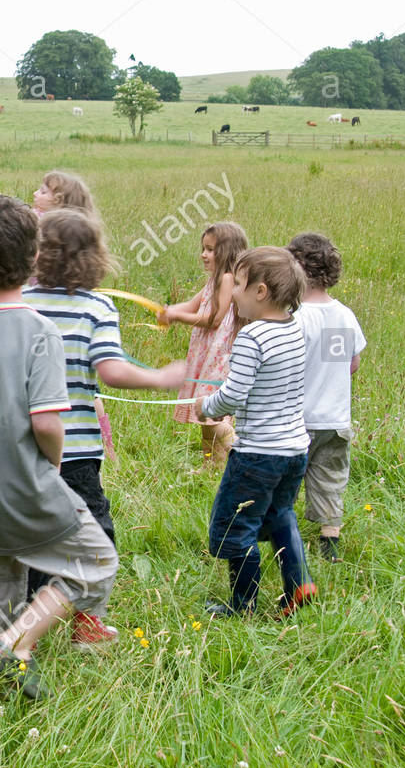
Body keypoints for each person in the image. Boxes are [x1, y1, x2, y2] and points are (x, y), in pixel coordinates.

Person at [0, 195, 120, 718]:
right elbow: (46, 421)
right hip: (26, 484)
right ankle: (16, 642)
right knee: (95, 561)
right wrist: (53, 464)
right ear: (33, 257)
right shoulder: (38, 330)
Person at [22, 207, 185, 642]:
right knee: (95, 536)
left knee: (34, 530)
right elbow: (111, 370)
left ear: (38, 254)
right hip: (74, 451)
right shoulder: (96, 307)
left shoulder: (20, 300)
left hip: (22, 445)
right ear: (94, 257)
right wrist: (161, 377)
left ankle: (26, 613)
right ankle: (85, 623)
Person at [197, 246, 316, 619]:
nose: (232, 292)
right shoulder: (293, 326)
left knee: (235, 524)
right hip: (295, 451)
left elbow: (233, 394)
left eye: (240, 285)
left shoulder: (253, 337)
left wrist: (207, 408)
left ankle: (242, 604)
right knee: (281, 515)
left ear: (260, 292)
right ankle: (299, 585)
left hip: (257, 455)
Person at [288, 232, 365, 563]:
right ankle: (329, 541)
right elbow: (353, 363)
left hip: (296, 421)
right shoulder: (344, 315)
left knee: (287, 481)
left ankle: (281, 532)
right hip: (335, 420)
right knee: (330, 479)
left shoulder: (293, 317)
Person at [160, 221, 248, 468]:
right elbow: (191, 306)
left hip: (218, 356)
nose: (204, 254)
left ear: (228, 251)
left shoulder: (228, 279)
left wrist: (176, 317)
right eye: (204, 249)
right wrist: (167, 310)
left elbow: (214, 319)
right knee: (205, 414)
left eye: (210, 250)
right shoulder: (214, 279)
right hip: (205, 354)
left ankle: (239, 452)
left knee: (214, 414)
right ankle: (213, 466)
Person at [0, 169, 98, 220]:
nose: (35, 194)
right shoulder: (77, 228)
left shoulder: (38, 220)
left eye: (43, 192)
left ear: (59, 201)